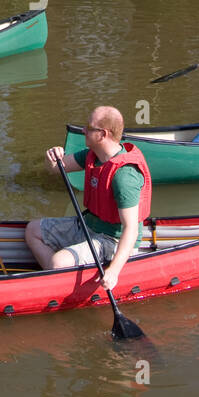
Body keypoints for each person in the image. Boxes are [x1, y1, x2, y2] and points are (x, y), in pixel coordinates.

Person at [27, 106, 150, 292]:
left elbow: (131, 230)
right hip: (88, 225)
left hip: (111, 240)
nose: (83, 130)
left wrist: (114, 271)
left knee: (57, 263)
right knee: (32, 230)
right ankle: (61, 280)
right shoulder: (93, 155)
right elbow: (54, 168)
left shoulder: (125, 176)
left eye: (89, 127)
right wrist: (52, 156)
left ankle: (57, 284)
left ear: (102, 134)